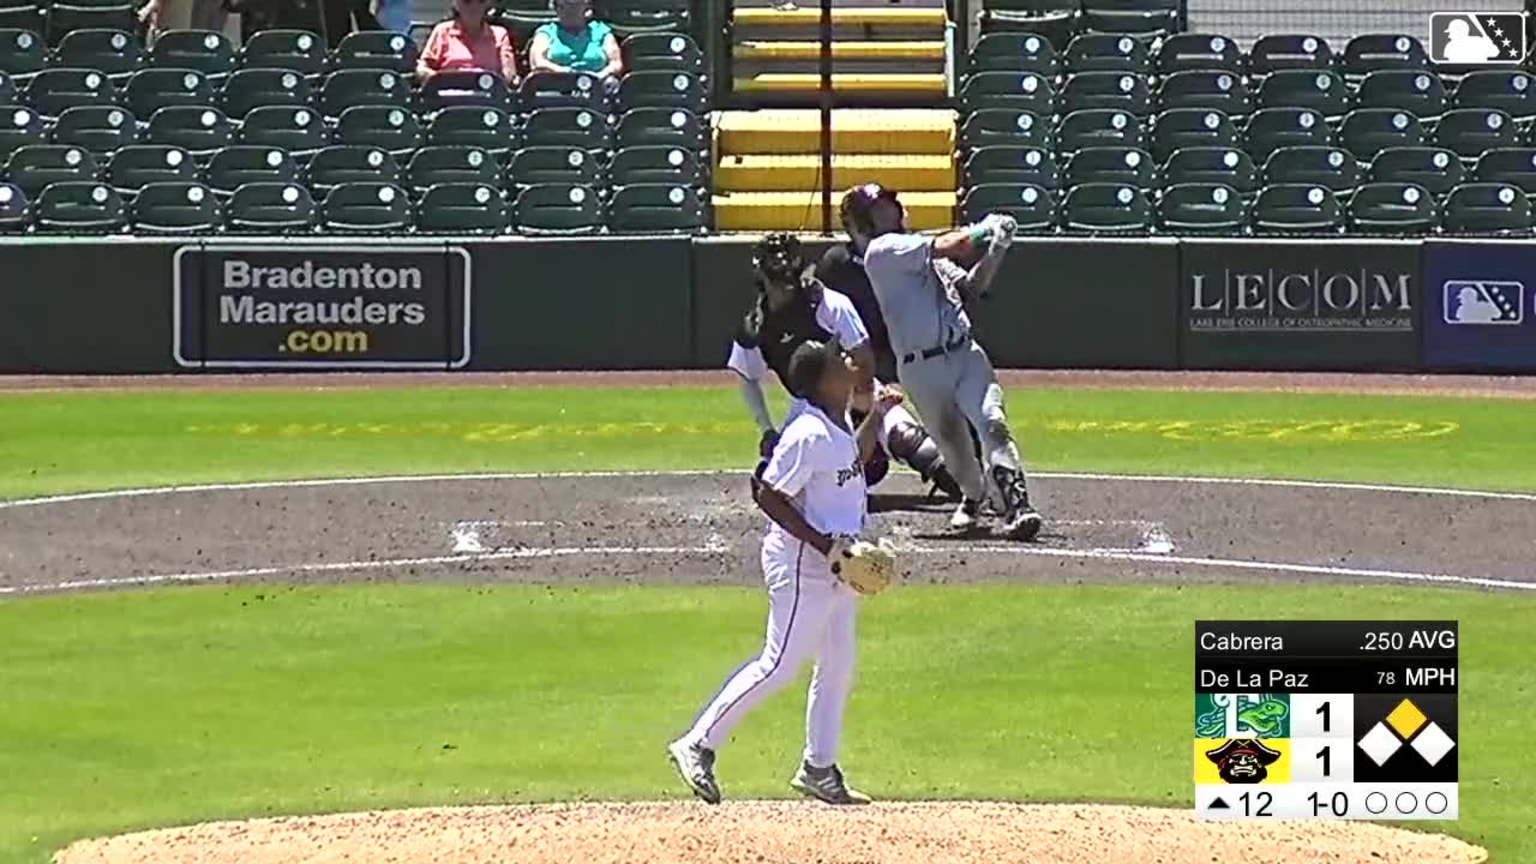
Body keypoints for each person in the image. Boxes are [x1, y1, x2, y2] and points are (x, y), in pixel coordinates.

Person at [668, 339, 900, 806]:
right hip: (803, 564)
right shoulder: (807, 433)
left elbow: (850, 462)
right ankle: (697, 743)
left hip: (836, 565)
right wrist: (825, 546)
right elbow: (768, 494)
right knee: (779, 665)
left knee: (838, 663)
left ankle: (819, 767)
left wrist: (875, 416)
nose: (851, 363)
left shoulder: (836, 424)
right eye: (841, 362)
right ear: (822, 380)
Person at [844, 182, 1044, 541]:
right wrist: (988, 228)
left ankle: (1018, 506)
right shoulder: (882, 251)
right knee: (956, 452)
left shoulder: (922, 253)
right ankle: (974, 496)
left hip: (963, 353)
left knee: (992, 422)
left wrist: (997, 249)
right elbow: (960, 243)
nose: (890, 210)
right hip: (921, 369)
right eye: (879, 209)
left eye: (890, 203)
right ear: (866, 222)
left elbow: (973, 287)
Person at [730, 232, 963, 501]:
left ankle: (978, 494)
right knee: (770, 481)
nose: (786, 287)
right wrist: (767, 429)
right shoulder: (757, 326)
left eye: (789, 278)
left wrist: (860, 413)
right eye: (778, 281)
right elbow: (746, 376)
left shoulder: (827, 303)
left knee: (908, 439)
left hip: (857, 395)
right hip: (810, 410)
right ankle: (843, 477)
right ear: (762, 279)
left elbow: (863, 358)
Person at [416, 0, 520, 85]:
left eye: (481, 1)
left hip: (487, 97)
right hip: (448, 97)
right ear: (456, 4)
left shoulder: (499, 34)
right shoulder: (442, 31)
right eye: (467, 1)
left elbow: (509, 75)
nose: (474, 6)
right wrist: (443, 80)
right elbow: (422, 69)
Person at [528, 0, 623, 83]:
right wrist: (568, 73)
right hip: (556, 86)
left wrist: (599, 76)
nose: (569, 10)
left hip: (597, 85)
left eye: (574, 5)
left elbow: (616, 63)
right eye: (562, 6)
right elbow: (538, 62)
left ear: (586, 6)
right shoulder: (546, 32)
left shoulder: (601, 31)